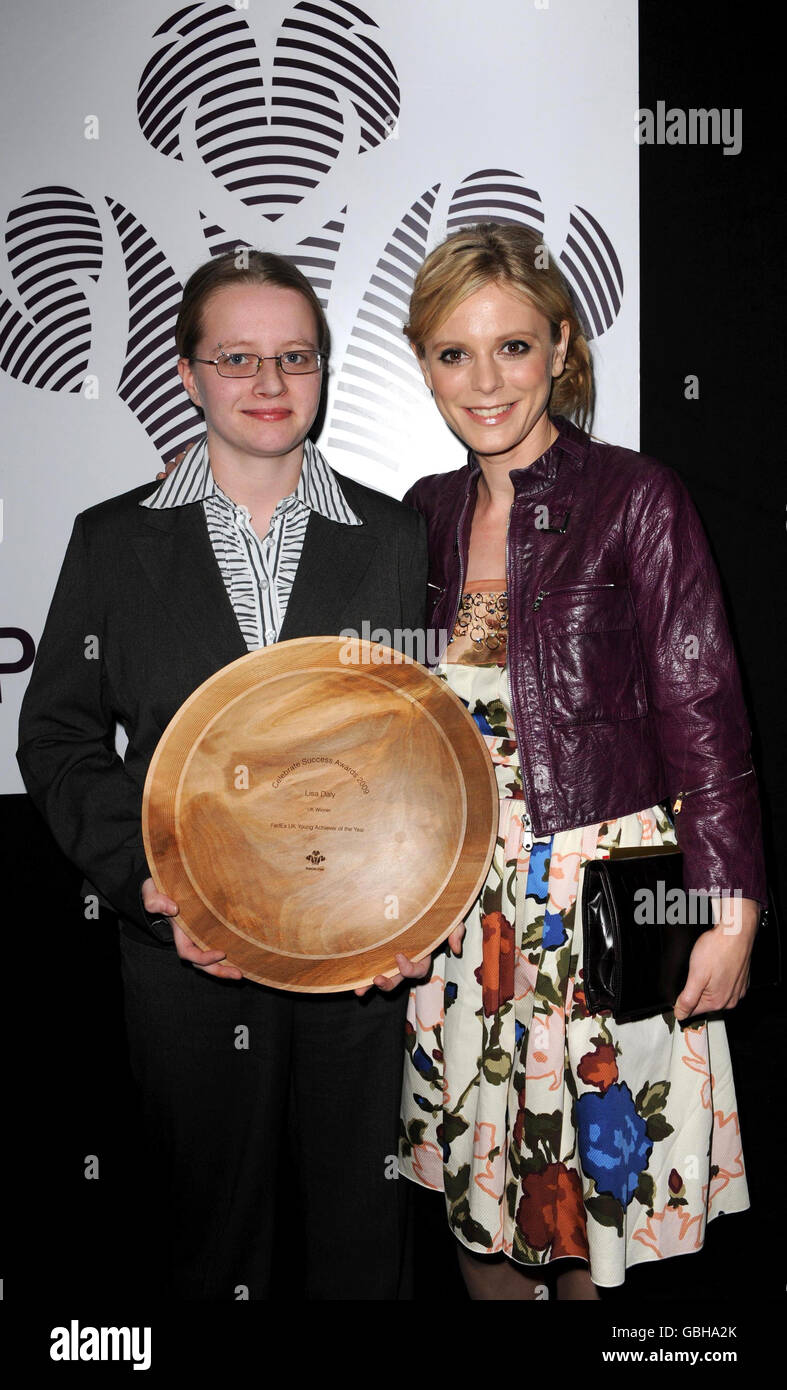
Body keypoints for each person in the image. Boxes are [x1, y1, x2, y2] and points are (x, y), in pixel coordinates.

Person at [17, 249, 430, 1300]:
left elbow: (429, 757)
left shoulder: (391, 537)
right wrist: (151, 882)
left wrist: (410, 914)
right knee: (207, 1248)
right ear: (188, 373)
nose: (268, 383)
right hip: (186, 961)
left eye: (294, 356)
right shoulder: (113, 541)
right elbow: (59, 732)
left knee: (358, 1248)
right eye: (236, 357)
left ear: (324, 370)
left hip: (355, 960)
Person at [397, 222, 767, 1299]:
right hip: (468, 911)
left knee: (588, 1218)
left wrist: (731, 906)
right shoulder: (421, 515)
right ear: (423, 364)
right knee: (487, 1204)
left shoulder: (634, 497)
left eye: (512, 347)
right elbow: (391, 724)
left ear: (560, 347)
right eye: (454, 353)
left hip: (598, 896)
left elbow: (704, 707)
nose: (485, 381)